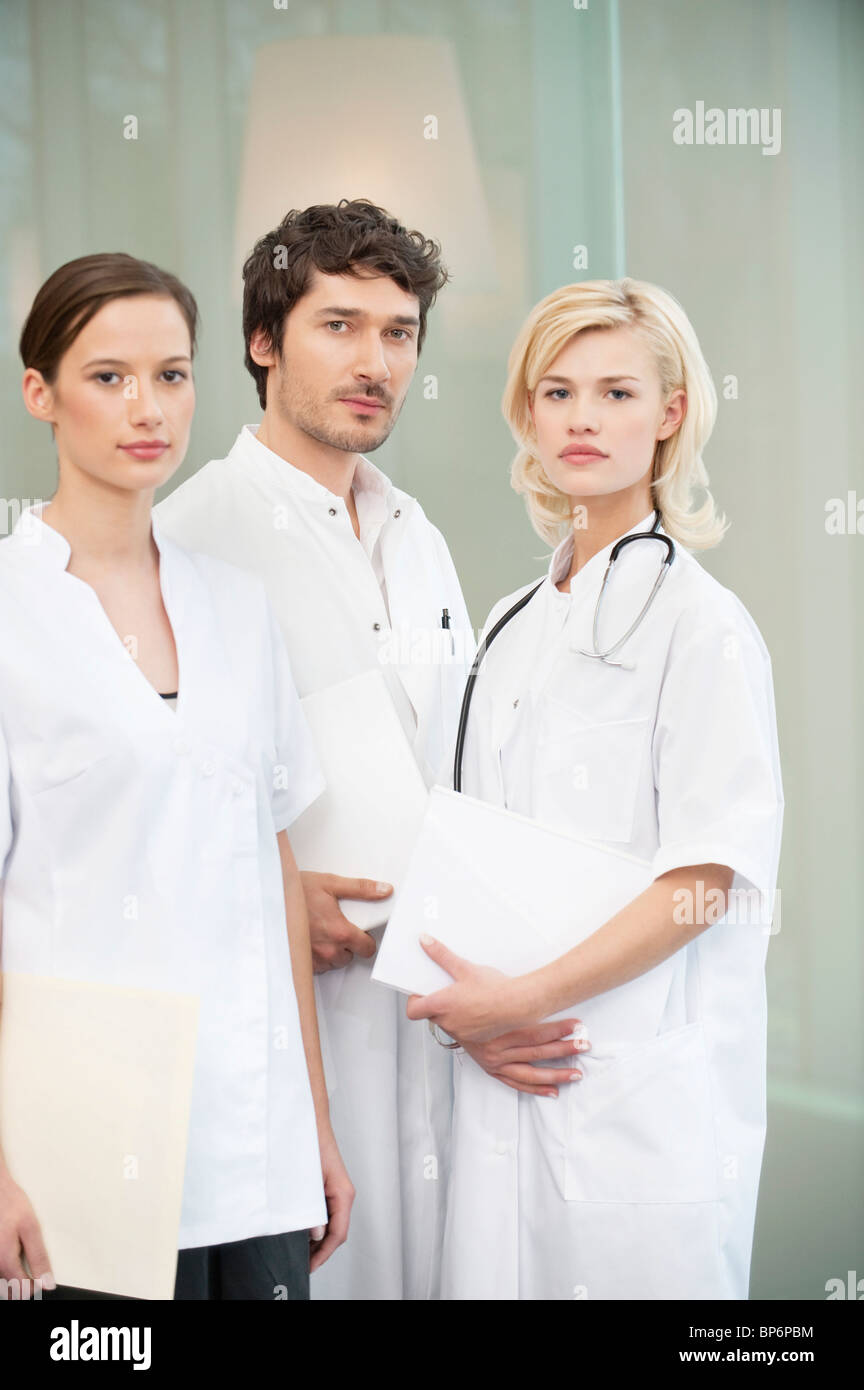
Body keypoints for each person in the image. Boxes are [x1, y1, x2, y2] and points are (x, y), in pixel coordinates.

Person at [154, 200, 582, 1300]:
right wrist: (277, 894)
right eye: (339, 324)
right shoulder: (193, 537)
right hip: (291, 1034)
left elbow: (454, 783)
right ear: (262, 342)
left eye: (399, 332)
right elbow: (141, 809)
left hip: (439, 1019)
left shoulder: (421, 537)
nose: (375, 360)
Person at [408, 278, 784, 1300]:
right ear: (527, 414)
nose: (583, 418)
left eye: (618, 393)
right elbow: (468, 854)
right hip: (496, 1087)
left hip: (631, 1096)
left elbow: (708, 876)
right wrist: (468, 1015)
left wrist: (516, 1003)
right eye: (558, 390)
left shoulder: (700, 626)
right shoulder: (507, 625)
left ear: (670, 416)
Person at [0, 253, 352, 1301]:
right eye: (108, 377)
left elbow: (271, 867)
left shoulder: (238, 609)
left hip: (254, 1148)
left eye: (171, 373)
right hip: (78, 1155)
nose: (147, 406)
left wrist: (314, 1133)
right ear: (40, 394)